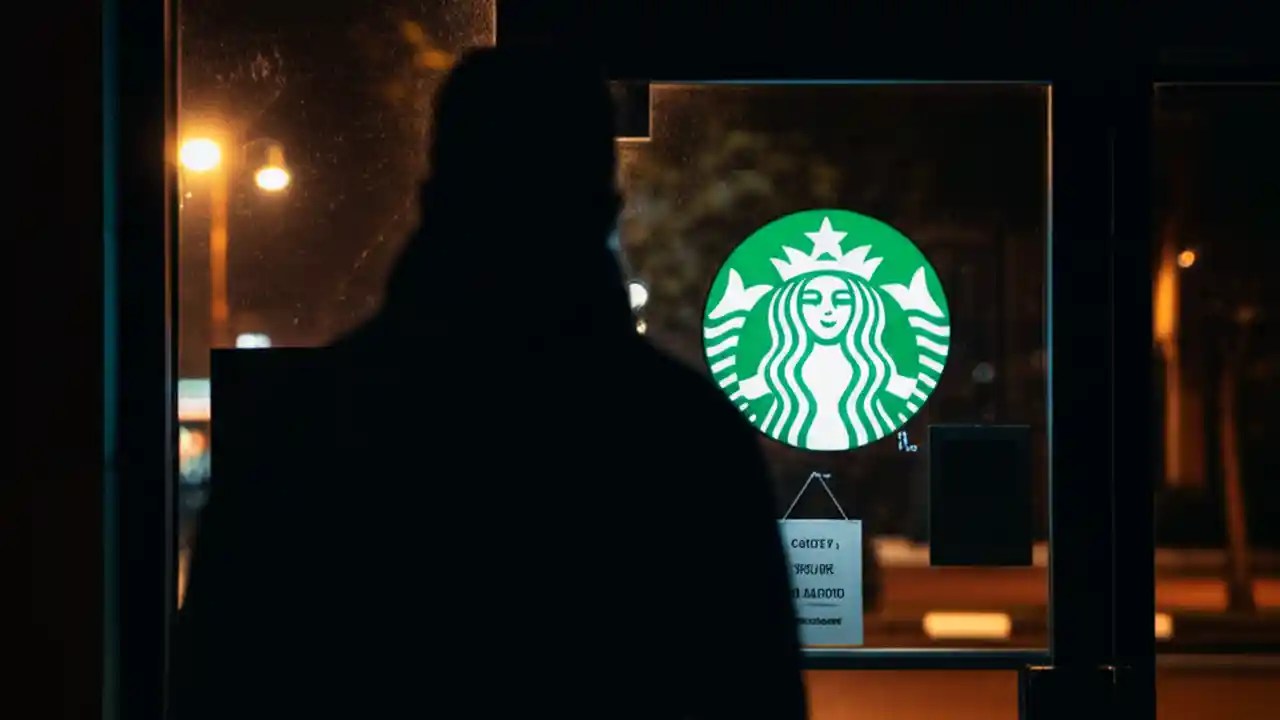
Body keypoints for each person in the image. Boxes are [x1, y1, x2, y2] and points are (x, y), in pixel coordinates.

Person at [172, 45, 807, 719]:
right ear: (602, 208)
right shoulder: (685, 440)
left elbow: (216, 681)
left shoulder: (306, 427)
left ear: (432, 198)